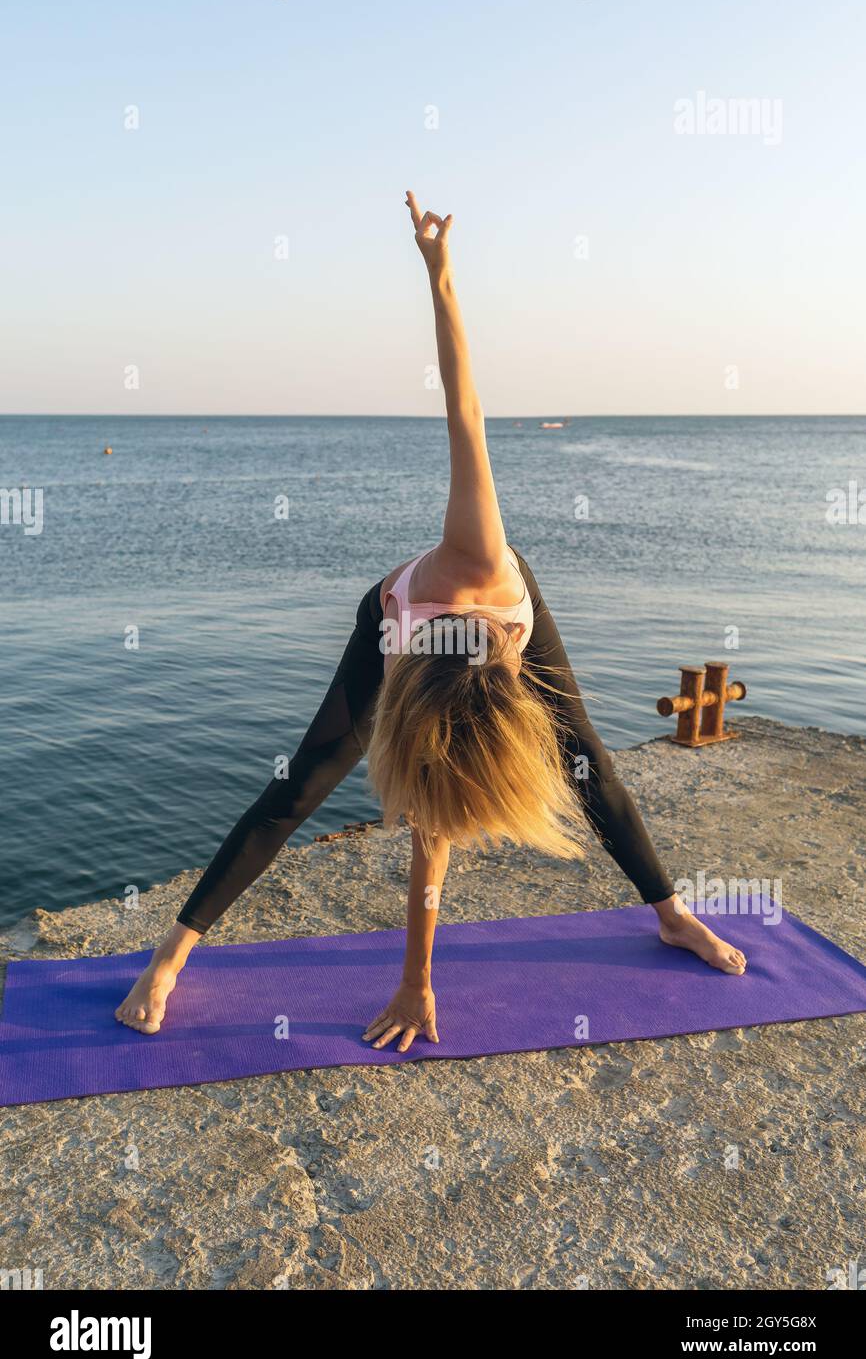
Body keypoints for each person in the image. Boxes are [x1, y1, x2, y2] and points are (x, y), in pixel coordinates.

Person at [116, 192, 746, 1047]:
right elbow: (464, 411)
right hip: (397, 616)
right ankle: (171, 953)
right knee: (305, 781)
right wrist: (439, 272)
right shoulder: (422, 611)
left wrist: (441, 274)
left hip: (505, 617)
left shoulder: (489, 563)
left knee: (586, 755)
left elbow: (468, 411)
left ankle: (670, 913)